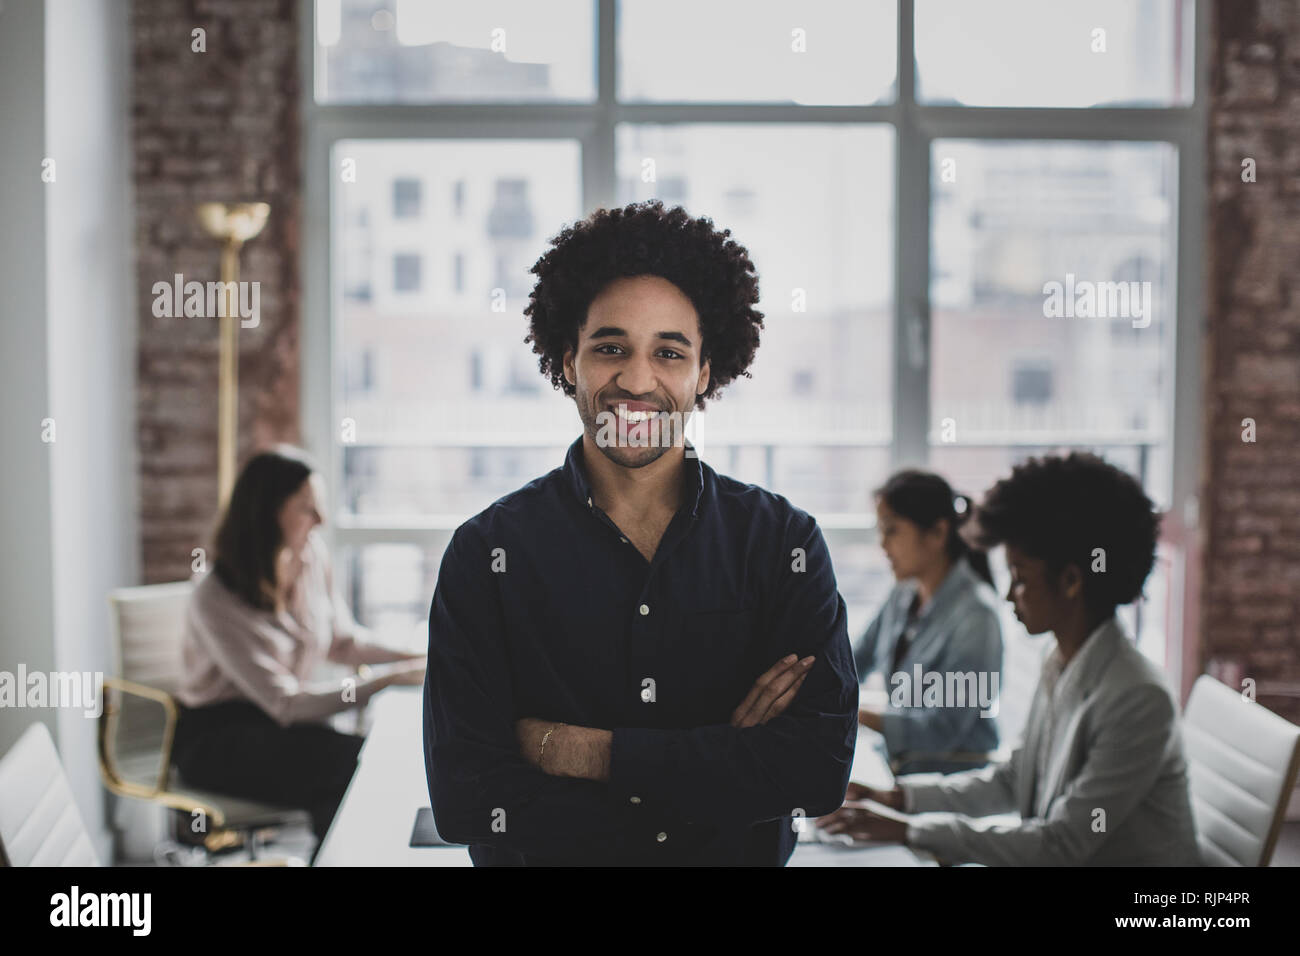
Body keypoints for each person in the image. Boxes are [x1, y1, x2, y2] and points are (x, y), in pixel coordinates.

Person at [423, 200, 858, 866]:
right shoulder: (487, 555)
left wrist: (577, 752)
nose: (636, 380)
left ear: (704, 371)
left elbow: (814, 772)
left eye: (669, 352)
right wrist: (723, 765)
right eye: (611, 348)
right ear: (568, 360)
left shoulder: (783, 546)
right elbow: (468, 799)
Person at [818, 452, 1201, 866]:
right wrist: (895, 799)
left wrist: (911, 830)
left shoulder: (1137, 697)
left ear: (1071, 581)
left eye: (1019, 578)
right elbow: (1012, 780)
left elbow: (1060, 846)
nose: (1007, 595)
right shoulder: (1061, 660)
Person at [173, 446, 425, 860]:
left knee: (350, 763)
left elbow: (342, 642)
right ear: (267, 513)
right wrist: (389, 679)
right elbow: (286, 704)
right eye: (308, 509)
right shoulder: (214, 598)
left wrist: (415, 656)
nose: (322, 520)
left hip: (276, 724)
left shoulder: (310, 558)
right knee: (349, 767)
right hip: (217, 738)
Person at [854, 470, 1003, 775]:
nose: (883, 545)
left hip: (951, 784)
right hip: (902, 768)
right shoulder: (903, 593)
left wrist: (856, 715)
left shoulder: (977, 617)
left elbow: (941, 730)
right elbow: (854, 661)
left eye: (892, 531)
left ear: (937, 533)